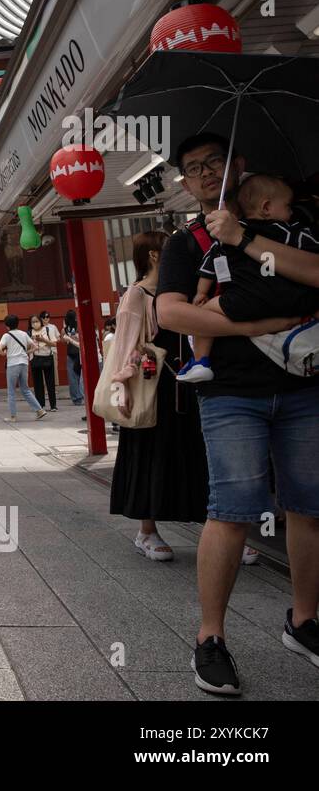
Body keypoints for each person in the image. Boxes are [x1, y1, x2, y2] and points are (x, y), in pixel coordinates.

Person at [155, 132, 319, 696]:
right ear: (184, 183)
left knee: (310, 505)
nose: (203, 175)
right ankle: (210, 639)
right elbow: (174, 314)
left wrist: (246, 236)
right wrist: (254, 327)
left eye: (213, 163)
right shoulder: (187, 243)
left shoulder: (290, 222)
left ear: (237, 166)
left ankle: (303, 620)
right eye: (192, 169)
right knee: (230, 510)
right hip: (230, 393)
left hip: (303, 385)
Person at [106, 231, 240, 565]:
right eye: (168, 250)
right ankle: (146, 530)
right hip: (153, 385)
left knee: (196, 452)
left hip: (189, 381)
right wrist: (121, 385)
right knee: (150, 453)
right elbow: (123, 345)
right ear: (154, 256)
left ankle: (220, 530)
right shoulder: (137, 295)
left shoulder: (185, 290)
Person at [179, 173, 319, 383]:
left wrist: (200, 293)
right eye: (289, 206)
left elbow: (209, 265)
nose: (292, 212)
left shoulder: (227, 234)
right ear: (266, 207)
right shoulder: (295, 232)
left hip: (247, 300)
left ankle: (201, 361)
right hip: (292, 300)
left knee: (204, 313)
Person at [0, 314, 46, 423]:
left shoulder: (6, 335)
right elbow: (34, 347)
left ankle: (13, 416)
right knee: (25, 389)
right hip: (24, 363)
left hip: (12, 364)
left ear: (7, 325)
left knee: (11, 391)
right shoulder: (24, 334)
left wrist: (5, 353)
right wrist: (25, 353)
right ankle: (39, 410)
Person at [28, 314, 58, 412]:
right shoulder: (28, 333)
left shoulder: (48, 330)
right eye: (33, 322)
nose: (35, 323)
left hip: (47, 358)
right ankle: (40, 405)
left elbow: (54, 344)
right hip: (35, 359)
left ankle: (53, 405)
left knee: (50, 382)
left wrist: (43, 339)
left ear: (40, 321)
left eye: (36, 321)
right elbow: (26, 347)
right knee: (38, 384)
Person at [62, 310, 84, 406]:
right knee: (81, 376)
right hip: (79, 353)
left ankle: (76, 398)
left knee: (72, 377)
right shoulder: (80, 327)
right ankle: (83, 394)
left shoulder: (65, 329)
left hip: (70, 354)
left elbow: (64, 341)